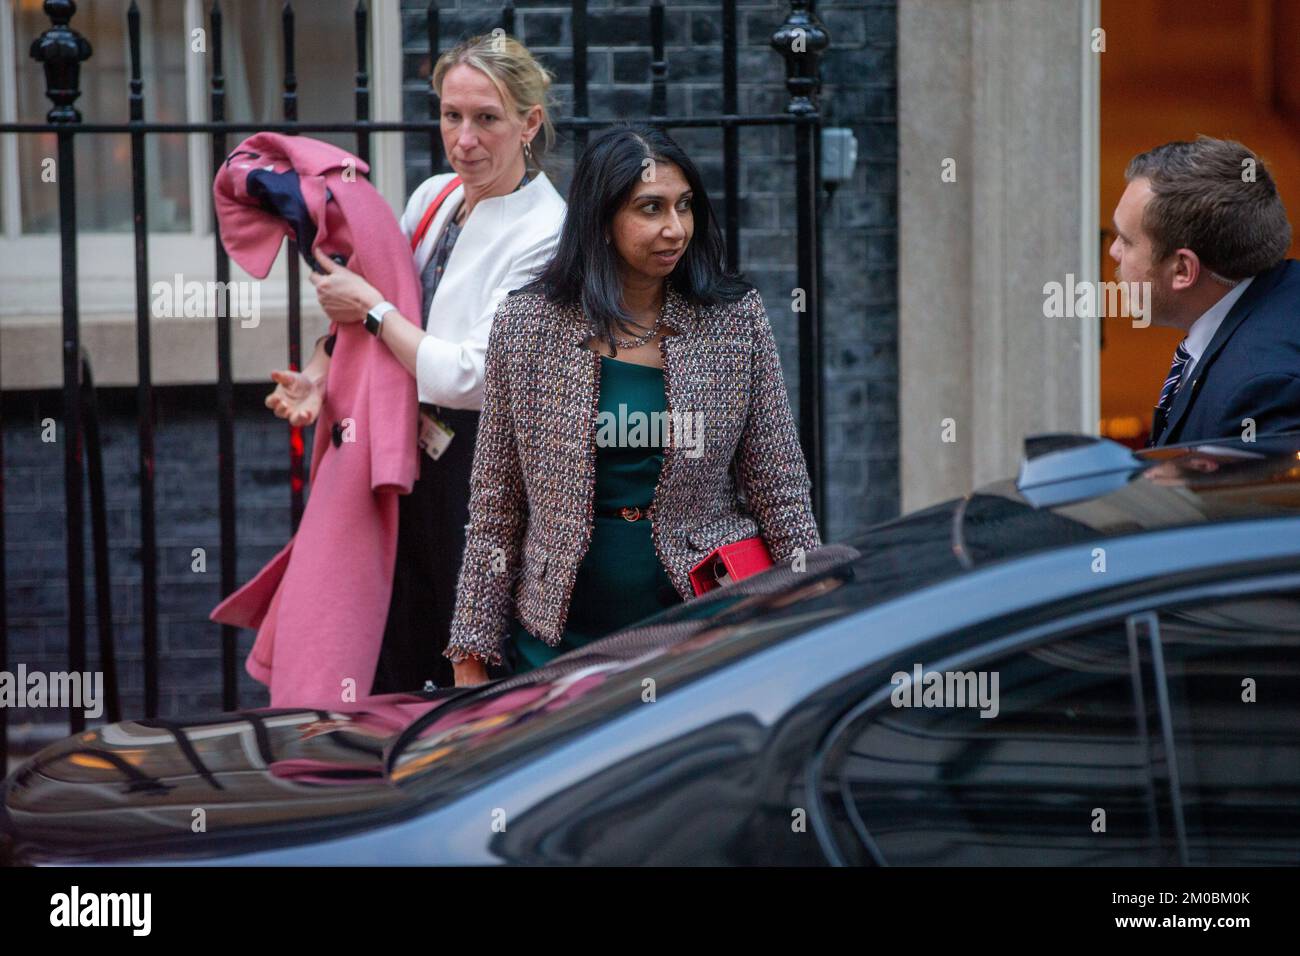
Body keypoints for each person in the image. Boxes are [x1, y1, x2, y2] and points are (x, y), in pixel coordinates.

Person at [443, 124, 823, 686]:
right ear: (601, 220)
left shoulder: (733, 321)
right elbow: (497, 510)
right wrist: (470, 658)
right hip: (559, 638)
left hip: (701, 626)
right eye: (651, 208)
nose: (676, 229)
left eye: (685, 206)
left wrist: (813, 618)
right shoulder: (526, 328)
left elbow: (780, 489)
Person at [264, 34, 566, 691]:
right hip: (401, 448)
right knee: (390, 642)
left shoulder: (546, 232)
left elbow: (474, 375)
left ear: (529, 122)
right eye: (451, 116)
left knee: (475, 661)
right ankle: (391, 784)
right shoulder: (435, 195)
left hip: (483, 468)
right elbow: (380, 318)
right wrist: (320, 370)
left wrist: (371, 309)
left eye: (486, 118)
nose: (464, 140)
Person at [1108, 136, 1300, 447]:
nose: (1114, 251)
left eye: (1127, 241)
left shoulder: (1260, 391)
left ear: (1183, 269)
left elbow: (1253, 497)